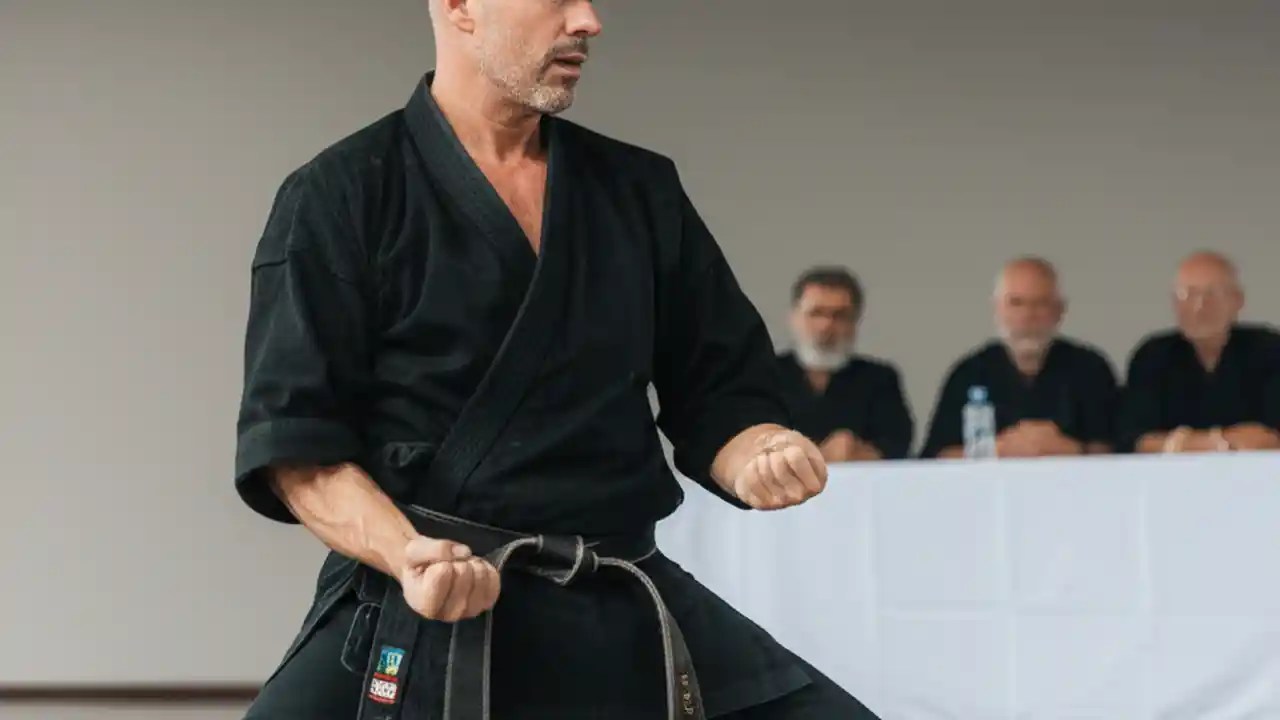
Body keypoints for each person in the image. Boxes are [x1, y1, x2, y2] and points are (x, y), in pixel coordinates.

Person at [233, 1, 881, 718]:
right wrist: (405, 552)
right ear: (459, 6)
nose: (588, 21)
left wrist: (756, 451)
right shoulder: (342, 193)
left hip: (617, 586)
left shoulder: (637, 190)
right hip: (428, 588)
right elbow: (299, 450)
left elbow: (721, 391)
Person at [919, 256, 1119, 459]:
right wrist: (997, 450)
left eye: (1040, 303)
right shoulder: (969, 373)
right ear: (997, 309)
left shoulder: (1090, 369)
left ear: (1060, 310)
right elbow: (937, 456)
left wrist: (1070, 450)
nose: (1028, 315)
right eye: (1016, 303)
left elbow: (1116, 451)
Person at [1117, 250, 1280, 453]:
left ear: (1238, 300)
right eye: (1187, 294)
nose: (1199, 306)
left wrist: (1179, 443)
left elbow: (1269, 438)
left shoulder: (1269, 349)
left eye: (1212, 294)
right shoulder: (1152, 356)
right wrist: (1220, 442)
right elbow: (1137, 440)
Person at [775, 266, 913, 461]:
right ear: (794, 317)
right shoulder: (763, 374)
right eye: (816, 313)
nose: (826, 326)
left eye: (839, 315)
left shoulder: (880, 379)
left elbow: (896, 446)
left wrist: (855, 451)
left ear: (855, 321)